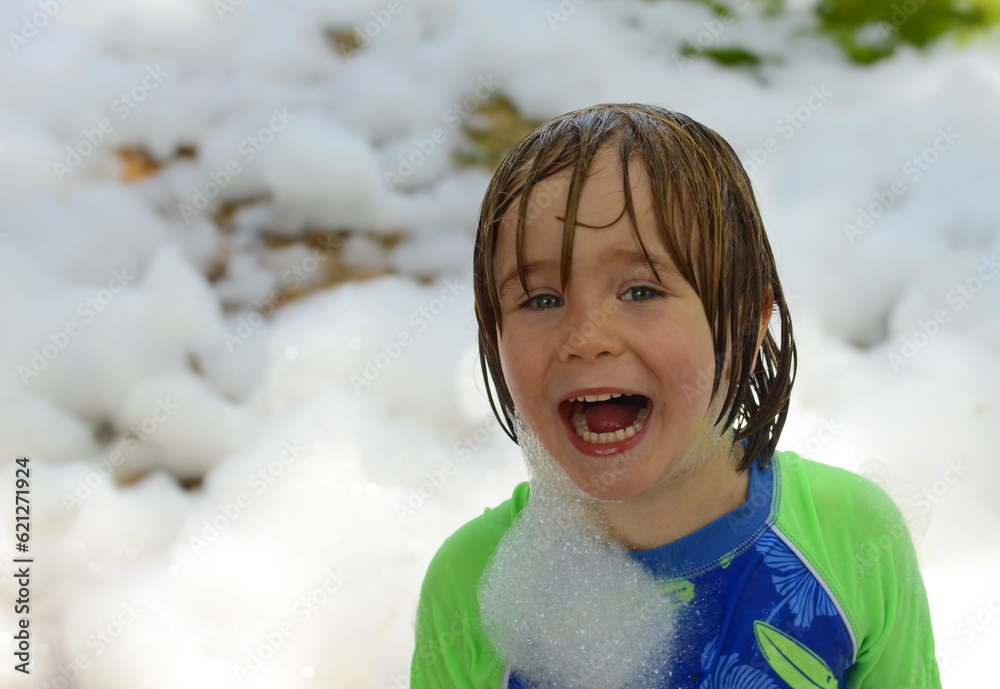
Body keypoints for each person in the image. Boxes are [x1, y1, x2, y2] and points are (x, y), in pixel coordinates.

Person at [410, 103, 940, 689]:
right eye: (540, 300)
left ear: (744, 321)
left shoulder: (851, 537)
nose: (585, 340)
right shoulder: (471, 588)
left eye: (639, 291)